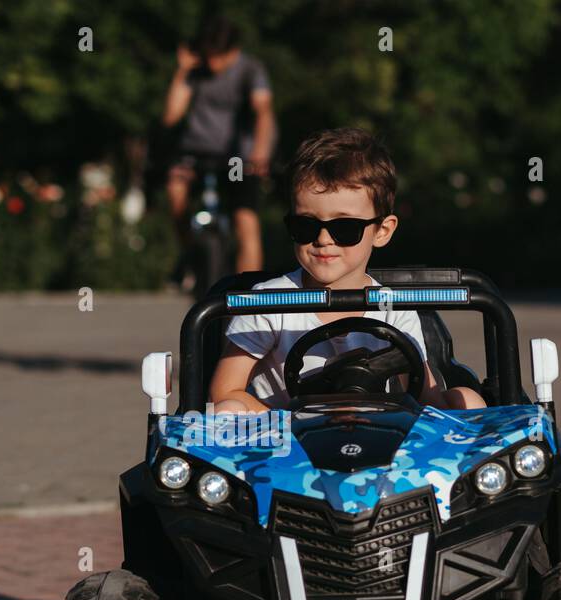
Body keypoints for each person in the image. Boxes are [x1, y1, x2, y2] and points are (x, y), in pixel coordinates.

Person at [209, 127, 488, 414]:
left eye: (345, 228)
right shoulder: (269, 302)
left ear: (382, 231)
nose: (322, 239)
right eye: (306, 225)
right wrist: (291, 422)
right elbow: (224, 391)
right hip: (289, 447)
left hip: (380, 439)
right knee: (228, 409)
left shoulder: (395, 309)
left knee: (468, 399)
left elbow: (428, 400)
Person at [162, 15, 276, 279]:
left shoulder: (251, 70)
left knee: (245, 221)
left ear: (233, 51)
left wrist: (260, 152)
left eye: (218, 56)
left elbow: (264, 112)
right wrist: (182, 70)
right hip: (197, 151)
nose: (212, 63)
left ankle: (250, 291)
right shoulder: (195, 71)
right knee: (175, 190)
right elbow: (170, 116)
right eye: (208, 55)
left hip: (241, 157)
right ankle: (190, 256)